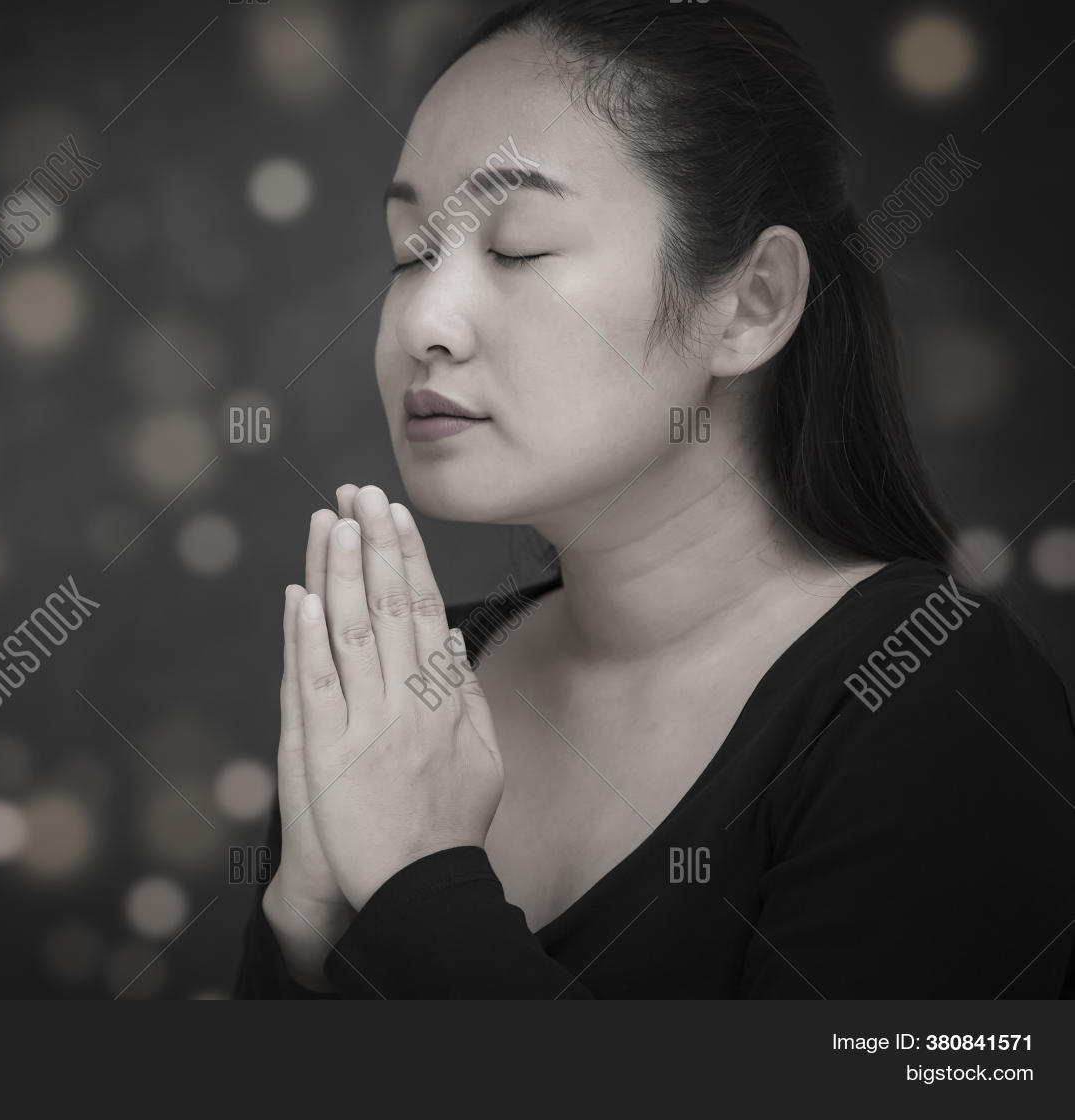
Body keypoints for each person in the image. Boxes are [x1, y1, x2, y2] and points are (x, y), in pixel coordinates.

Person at [233, 0, 1075, 998]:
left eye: (516, 247)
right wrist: (304, 933)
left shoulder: (931, 693)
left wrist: (420, 884)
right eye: (411, 251)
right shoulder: (397, 697)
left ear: (754, 301)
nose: (424, 321)